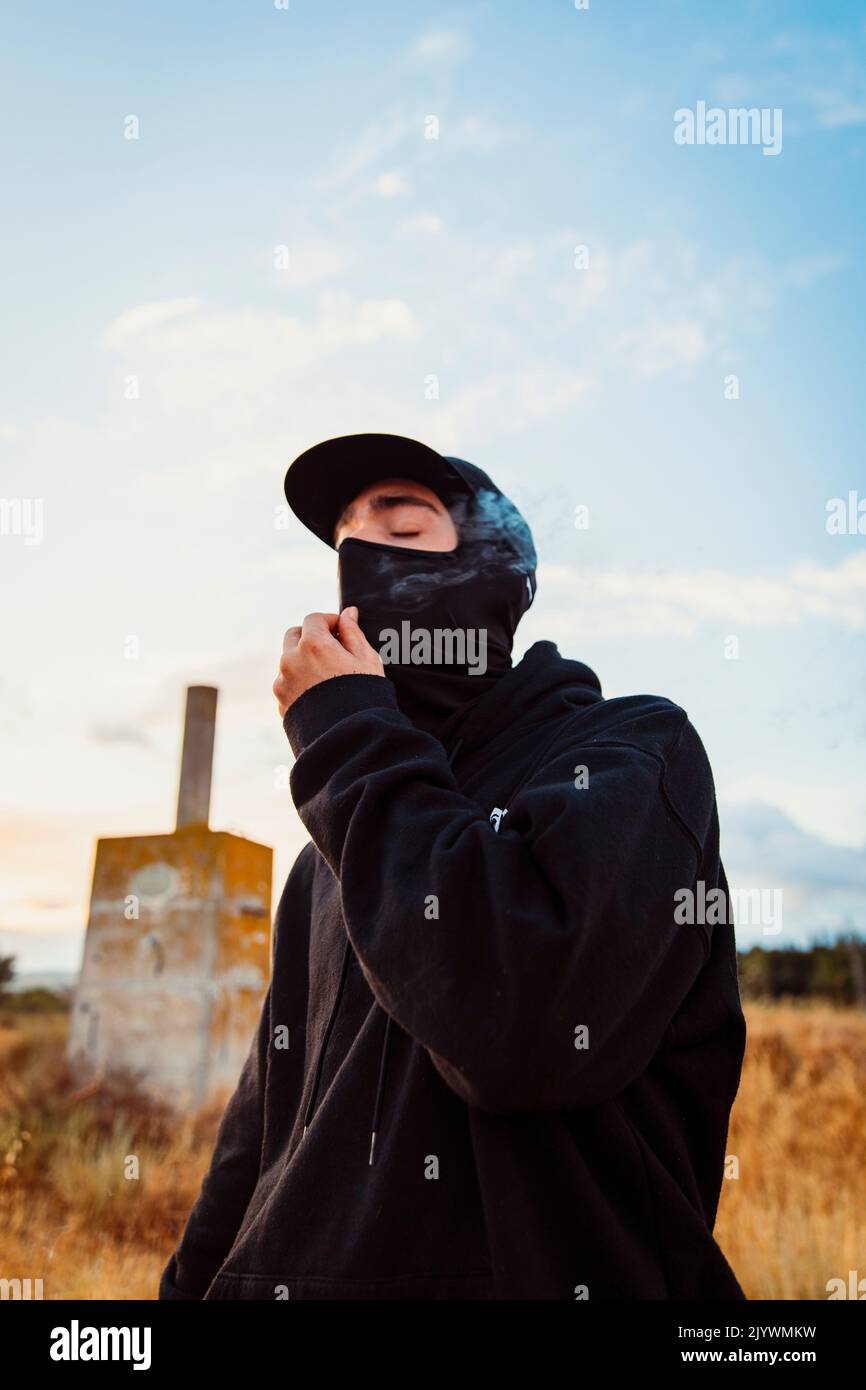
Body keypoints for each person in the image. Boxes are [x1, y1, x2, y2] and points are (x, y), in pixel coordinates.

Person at [158, 431, 747, 1301]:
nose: (363, 560)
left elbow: (522, 1035)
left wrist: (348, 735)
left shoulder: (629, 754)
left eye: (401, 534)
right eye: (347, 547)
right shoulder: (331, 849)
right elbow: (260, 1140)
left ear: (498, 571)